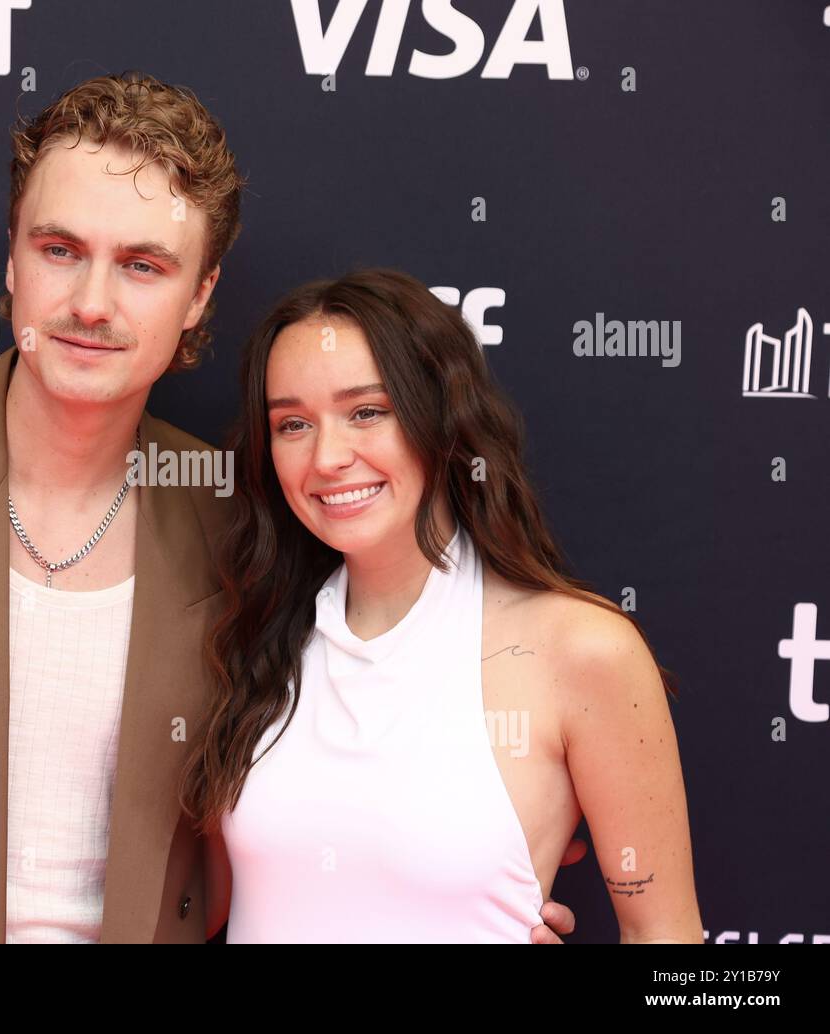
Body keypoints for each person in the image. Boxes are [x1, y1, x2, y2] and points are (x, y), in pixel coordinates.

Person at [0, 73, 577, 943]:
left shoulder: (238, 514)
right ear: (12, 260)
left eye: (143, 266)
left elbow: (334, 796)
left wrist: (456, 909)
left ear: (200, 297)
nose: (90, 302)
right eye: (59, 250)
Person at [182, 267, 704, 943]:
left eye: (367, 412)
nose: (327, 457)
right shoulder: (255, 639)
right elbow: (200, 907)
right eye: (292, 424)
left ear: (443, 421)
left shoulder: (581, 652)